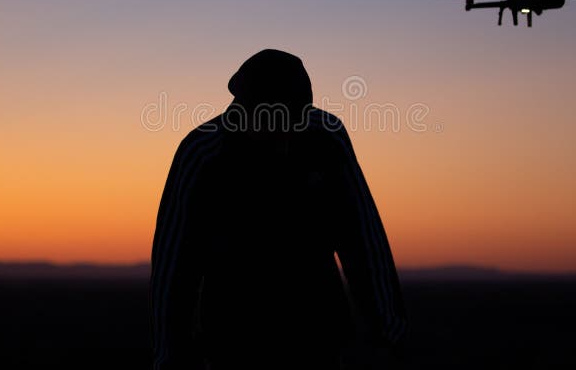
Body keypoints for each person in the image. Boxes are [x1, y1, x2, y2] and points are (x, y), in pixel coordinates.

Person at [149, 49, 407, 370]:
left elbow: (364, 238)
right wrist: (170, 355)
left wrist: (389, 333)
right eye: (274, 127)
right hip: (233, 345)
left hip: (318, 341)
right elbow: (174, 265)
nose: (285, 140)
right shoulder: (203, 154)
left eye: (294, 124)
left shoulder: (327, 138)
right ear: (243, 113)